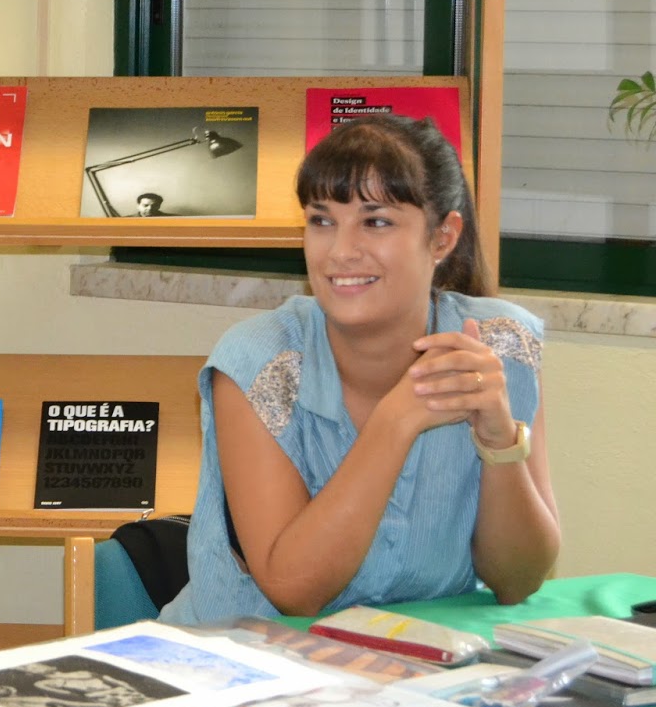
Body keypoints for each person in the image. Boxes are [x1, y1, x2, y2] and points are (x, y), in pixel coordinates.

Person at [158, 114, 559, 625]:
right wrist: (395, 421)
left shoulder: (504, 346)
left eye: (376, 221)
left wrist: (501, 440)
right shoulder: (258, 361)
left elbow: (518, 581)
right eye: (321, 220)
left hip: (418, 673)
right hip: (244, 668)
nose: (341, 252)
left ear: (443, 237)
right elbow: (294, 591)